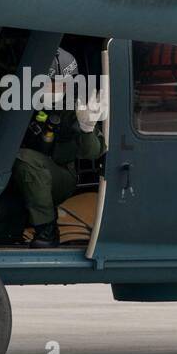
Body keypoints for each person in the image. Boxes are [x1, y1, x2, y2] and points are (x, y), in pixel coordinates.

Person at [12, 48, 106, 248]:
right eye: (49, 84)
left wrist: (87, 128)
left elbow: (93, 152)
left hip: (59, 176)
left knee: (26, 159)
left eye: (62, 85)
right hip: (11, 176)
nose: (55, 90)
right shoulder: (13, 97)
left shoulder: (77, 107)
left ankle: (47, 231)